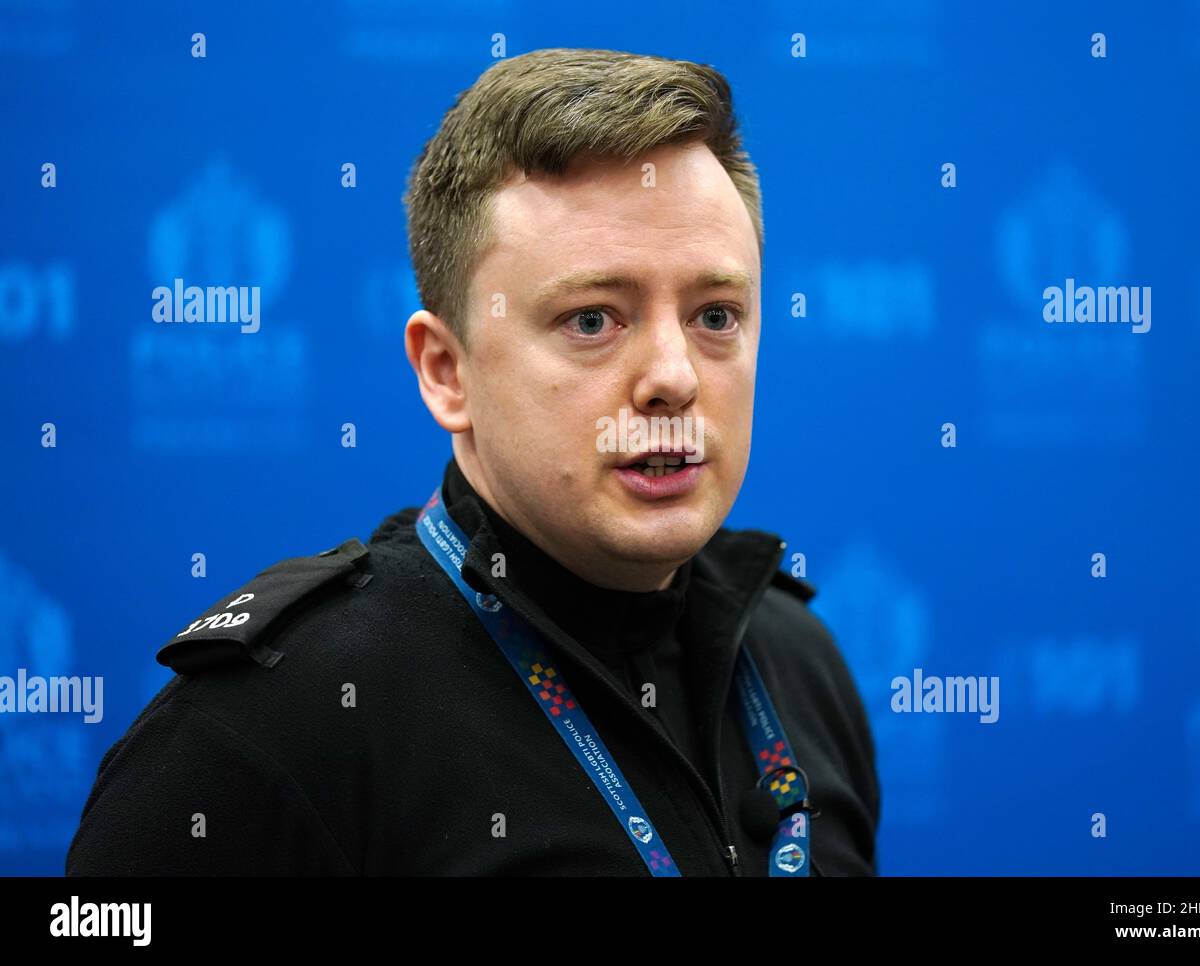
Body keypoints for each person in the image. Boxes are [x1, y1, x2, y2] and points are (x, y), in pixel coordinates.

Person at [65, 47, 881, 876]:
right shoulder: (266, 731)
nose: (673, 376)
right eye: (593, 320)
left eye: (716, 314)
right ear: (446, 373)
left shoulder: (796, 659)